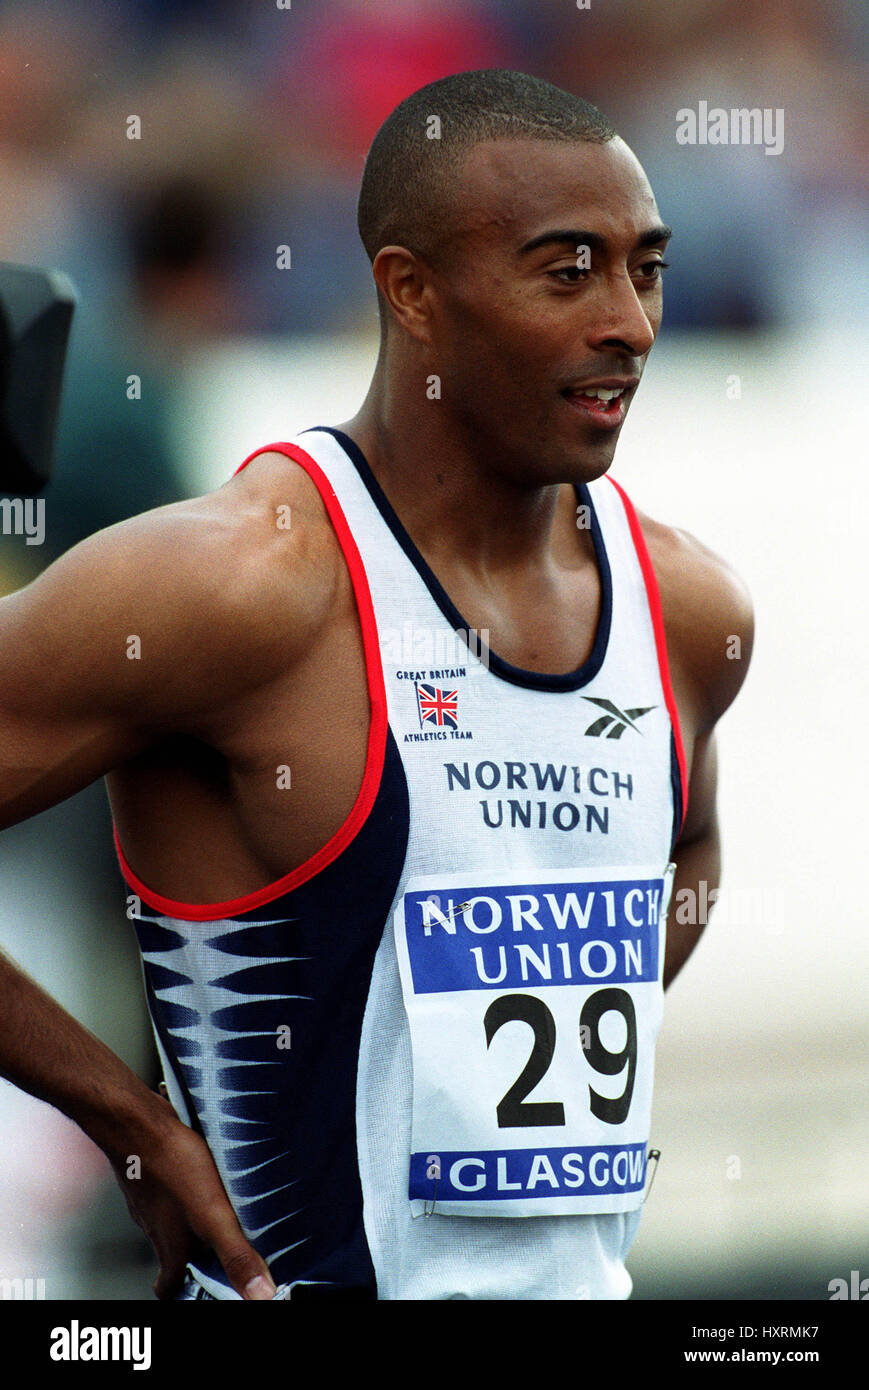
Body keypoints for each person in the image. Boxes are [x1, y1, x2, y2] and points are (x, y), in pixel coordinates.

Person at [0, 70, 753, 1300]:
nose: (628, 320)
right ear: (411, 291)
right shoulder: (240, 587)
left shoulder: (688, 608)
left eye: (646, 268)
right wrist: (126, 1122)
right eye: (567, 270)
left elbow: (695, 846)